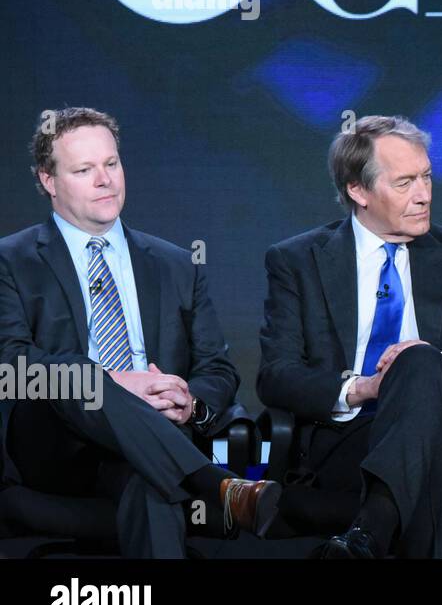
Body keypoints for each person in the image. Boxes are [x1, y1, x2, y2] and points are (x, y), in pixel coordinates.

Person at [0, 107, 279, 558]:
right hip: (56, 446)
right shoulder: (11, 260)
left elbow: (217, 368)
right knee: (76, 372)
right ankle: (218, 486)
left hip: (156, 440)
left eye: (111, 164)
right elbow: (10, 369)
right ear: (49, 181)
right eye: (84, 169)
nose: (104, 179)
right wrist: (113, 383)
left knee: (148, 485)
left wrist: (187, 400)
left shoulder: (173, 263)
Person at [258, 115, 442, 558]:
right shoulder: (297, 261)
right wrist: (362, 388)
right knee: (438, 442)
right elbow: (276, 375)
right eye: (404, 183)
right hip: (353, 440)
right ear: (358, 190)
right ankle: (375, 529)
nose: (424, 195)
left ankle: (368, 533)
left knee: (422, 360)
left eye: (426, 177)